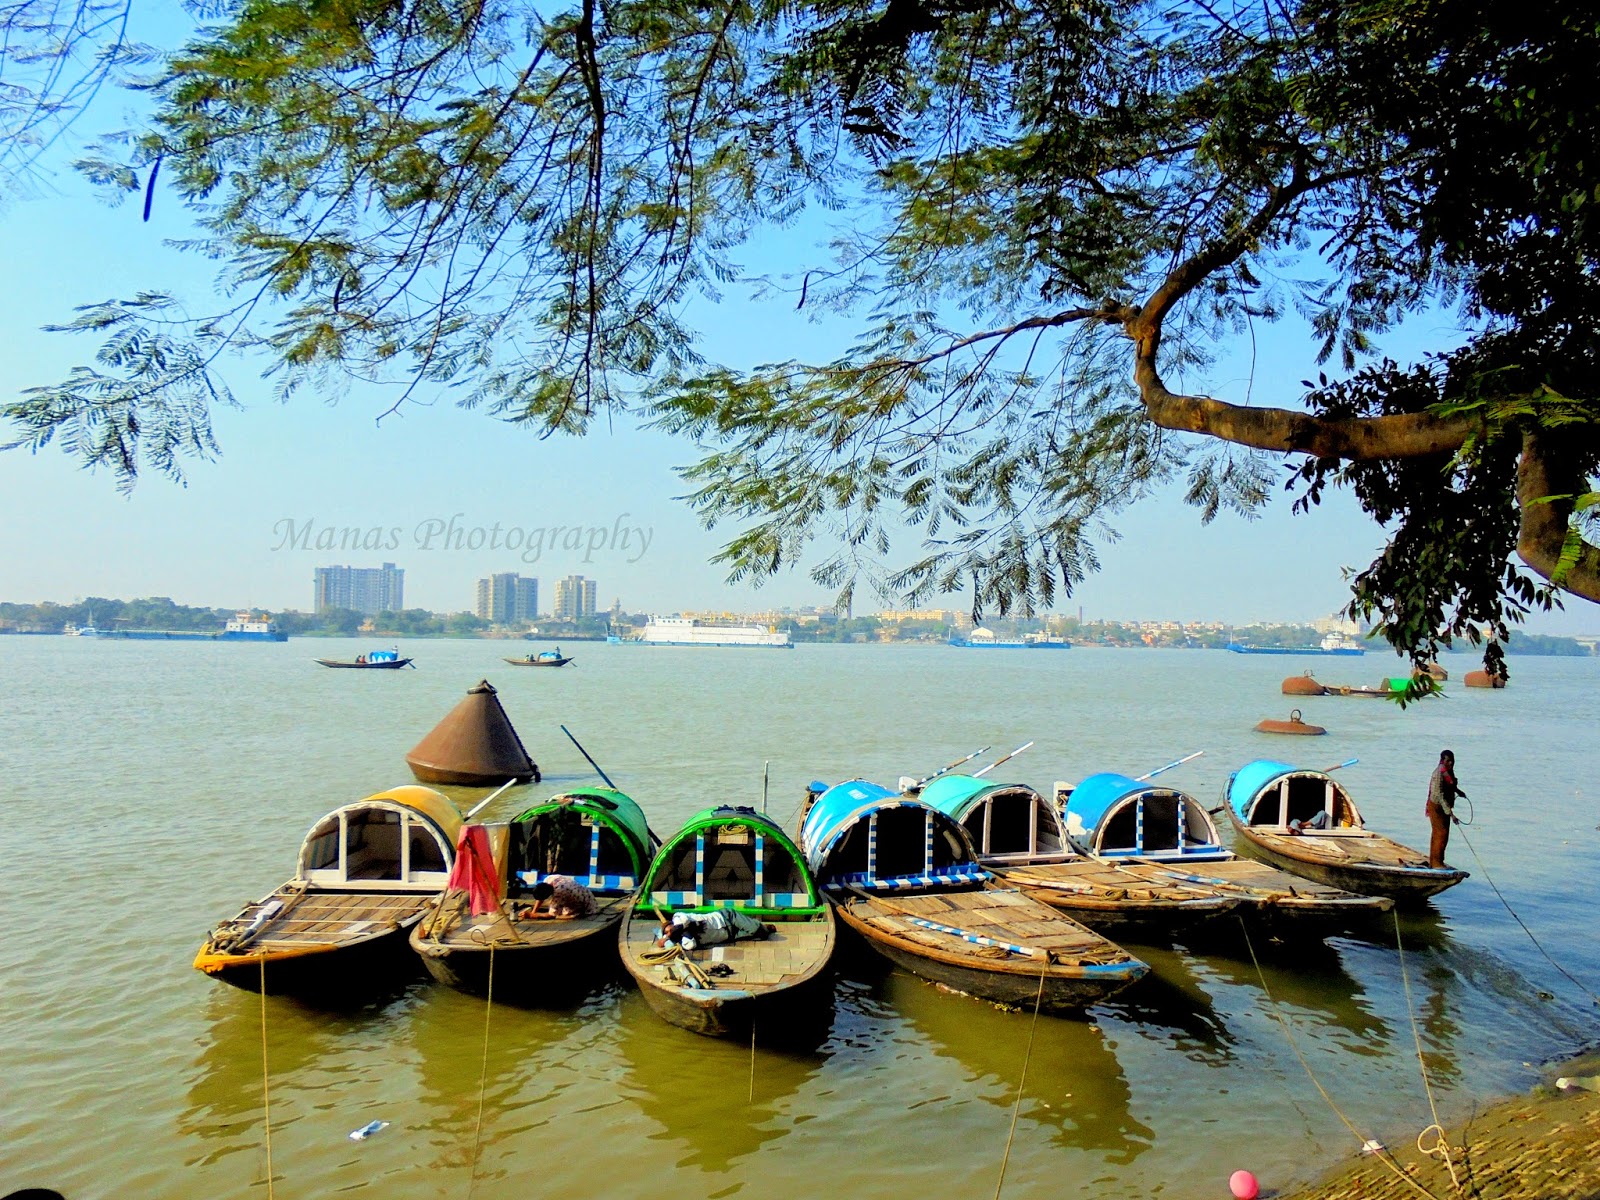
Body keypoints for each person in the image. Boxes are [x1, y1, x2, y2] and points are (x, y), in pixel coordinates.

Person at [657, 909, 775, 951]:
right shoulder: (685, 941)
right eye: (668, 932)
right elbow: (691, 945)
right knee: (762, 936)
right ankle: (761, 927)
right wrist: (668, 937)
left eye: (670, 929)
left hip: (726, 917)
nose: (670, 931)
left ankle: (758, 926)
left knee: (755, 929)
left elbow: (683, 921)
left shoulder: (678, 917)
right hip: (730, 934)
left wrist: (670, 934)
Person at [1425, 749, 1466, 869]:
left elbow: (1451, 786)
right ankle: (1437, 863)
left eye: (1452, 761)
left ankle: (1435, 861)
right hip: (1437, 806)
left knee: (1440, 833)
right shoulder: (1439, 773)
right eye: (1448, 761)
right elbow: (1439, 795)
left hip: (1442, 806)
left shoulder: (1448, 772)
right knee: (1441, 834)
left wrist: (1458, 791)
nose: (1450, 764)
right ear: (1442, 760)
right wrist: (1451, 814)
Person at [527, 874, 596, 918]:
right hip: (586, 893)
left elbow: (551, 914)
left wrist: (532, 915)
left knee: (562, 915)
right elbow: (540, 898)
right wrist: (533, 911)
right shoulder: (549, 879)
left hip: (585, 904)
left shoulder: (559, 893)